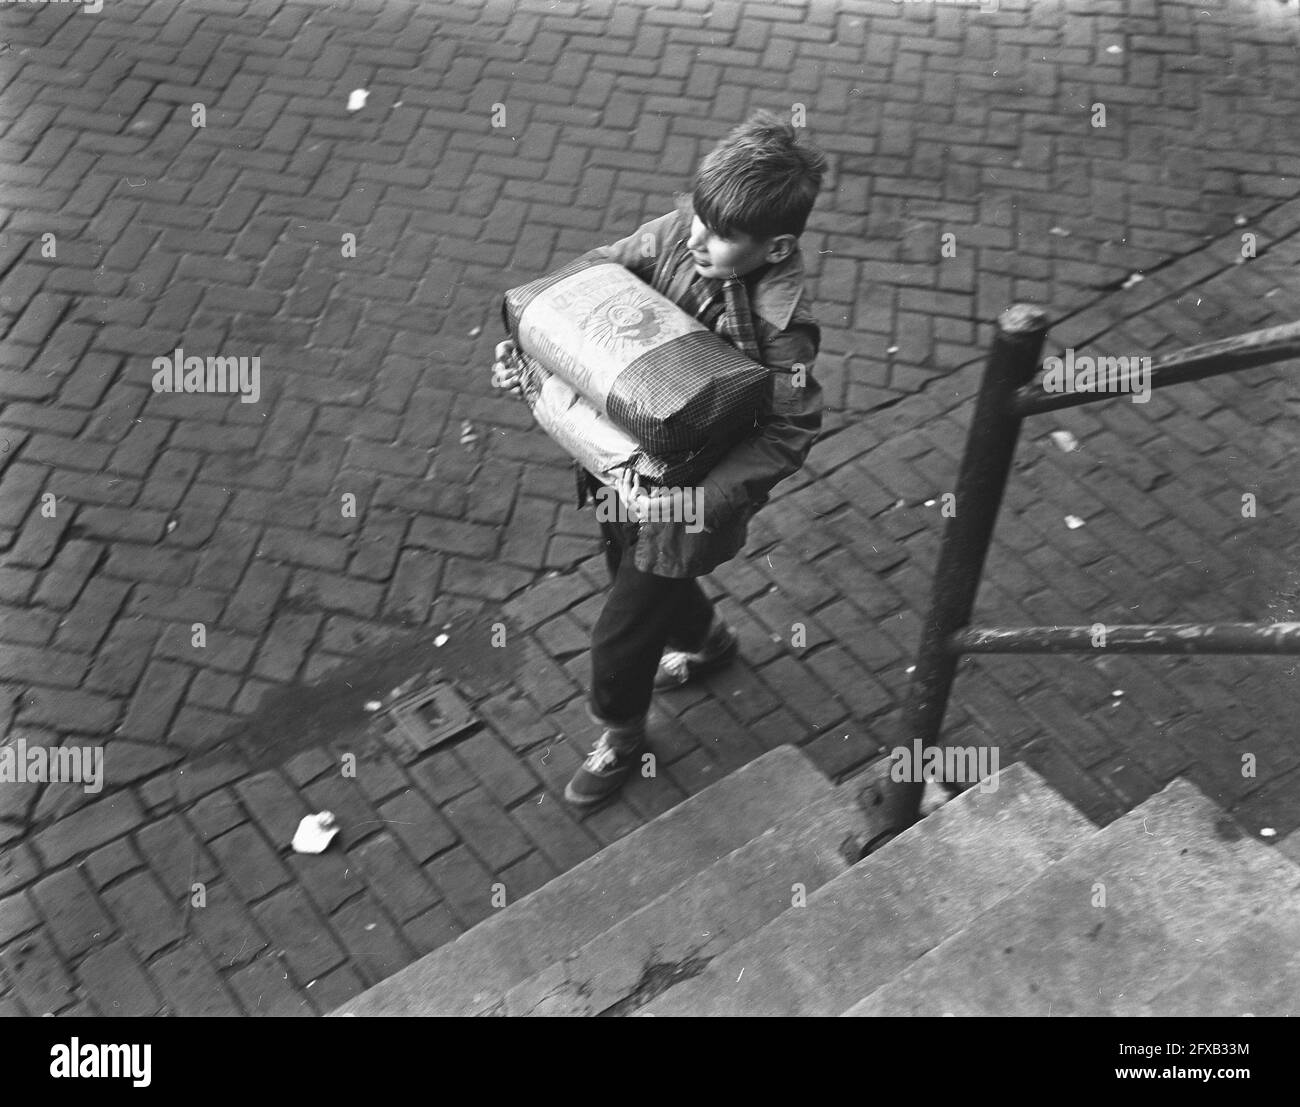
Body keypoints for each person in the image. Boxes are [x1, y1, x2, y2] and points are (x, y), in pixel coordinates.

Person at [492, 111, 826, 807]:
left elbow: (790, 431)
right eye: (697, 216)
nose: (697, 237)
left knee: (622, 630)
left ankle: (621, 735)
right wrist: (534, 343)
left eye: (722, 234)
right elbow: (594, 281)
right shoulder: (679, 232)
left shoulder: (781, 328)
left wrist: (697, 502)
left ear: (777, 246)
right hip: (618, 469)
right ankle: (709, 643)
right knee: (626, 563)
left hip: (686, 506)